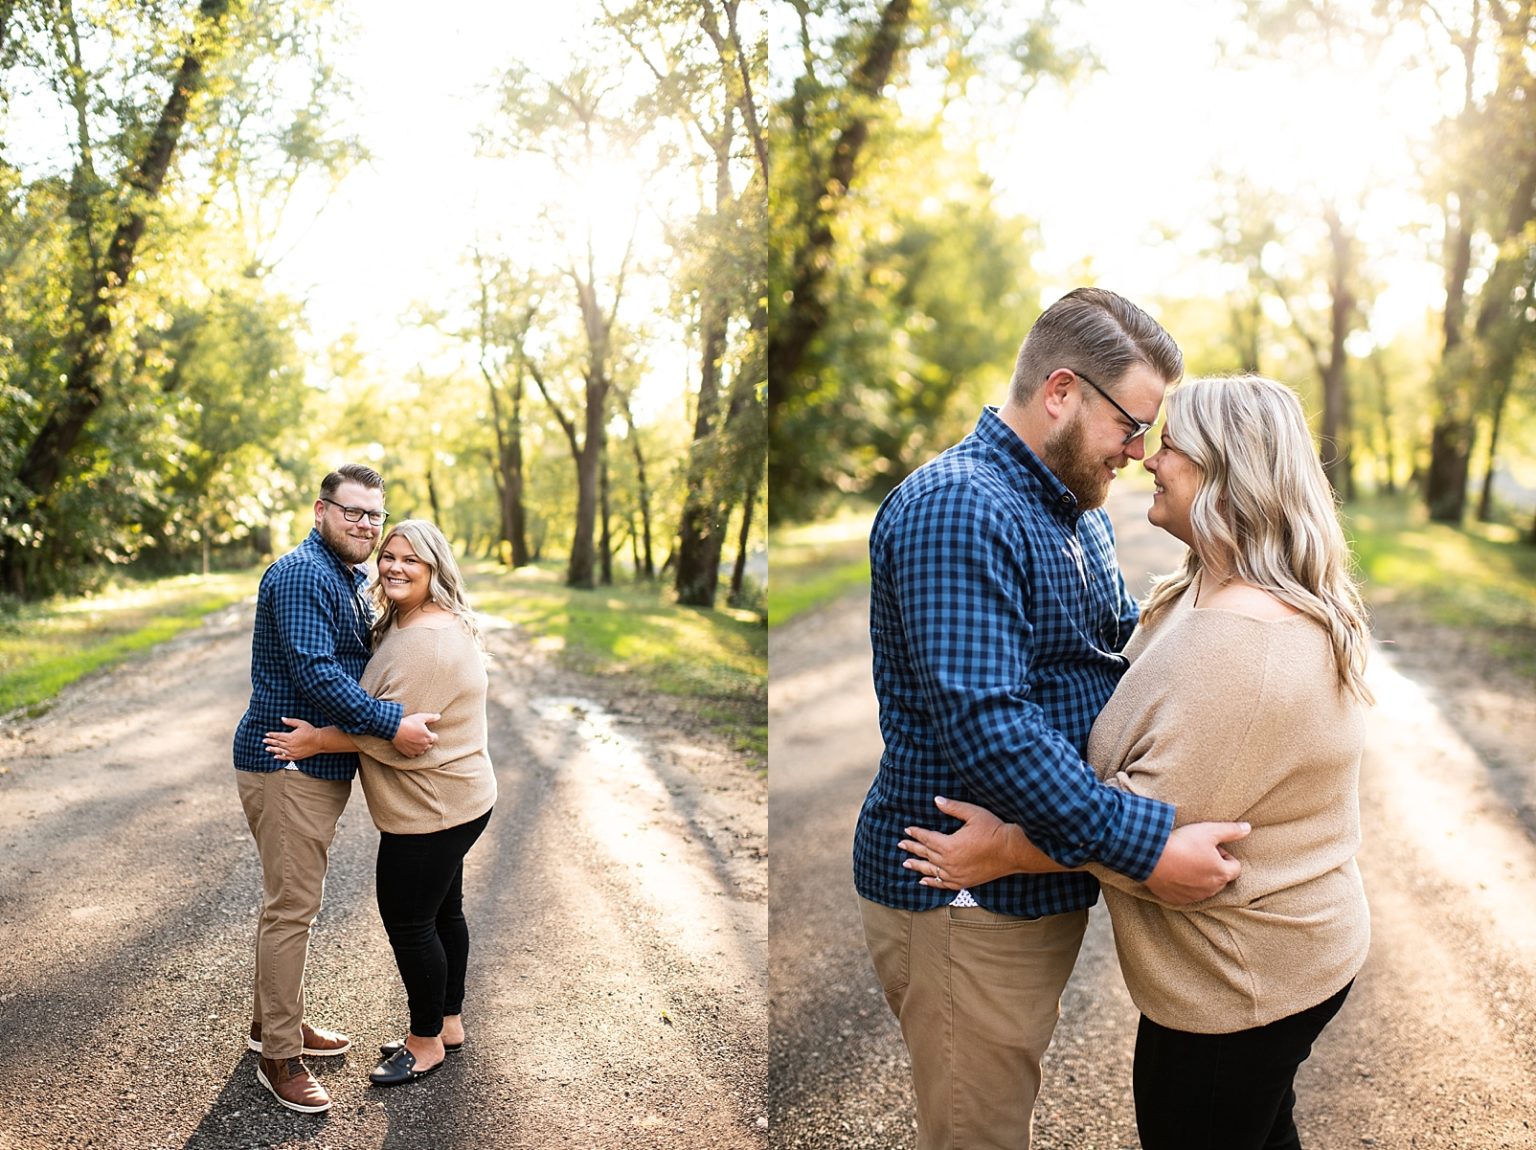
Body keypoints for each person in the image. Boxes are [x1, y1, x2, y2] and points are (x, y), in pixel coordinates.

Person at [901, 374, 1374, 1150]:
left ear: (1226, 471)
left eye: (1171, 445)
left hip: (1242, 980)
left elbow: (1159, 829)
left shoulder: (1239, 647)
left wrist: (1006, 849)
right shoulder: (1212, 587)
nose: (1149, 459)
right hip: (1277, 958)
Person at [852, 287, 1251, 1150]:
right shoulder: (960, 506)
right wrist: (1147, 847)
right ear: (1062, 392)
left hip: (1027, 881)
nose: (1139, 452)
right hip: (967, 902)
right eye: (1131, 425)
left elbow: (1107, 660)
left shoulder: (1070, 509)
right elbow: (991, 728)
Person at [233, 464, 440, 1114]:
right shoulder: (303, 575)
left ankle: (275, 1023)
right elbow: (318, 675)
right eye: (353, 511)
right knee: (293, 907)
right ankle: (278, 1058)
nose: (365, 524)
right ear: (320, 511)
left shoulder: (344, 576)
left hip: (312, 766)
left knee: (292, 901)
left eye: (374, 515)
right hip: (285, 765)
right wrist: (392, 724)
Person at [264, 518, 496, 1089]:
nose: (394, 566)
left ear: (434, 569)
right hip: (458, 797)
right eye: (389, 555)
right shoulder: (414, 619)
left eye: (410, 560)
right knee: (443, 912)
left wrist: (318, 740)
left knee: (410, 922)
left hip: (431, 807)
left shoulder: (425, 642)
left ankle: (425, 1044)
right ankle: (447, 1023)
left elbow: (392, 730)